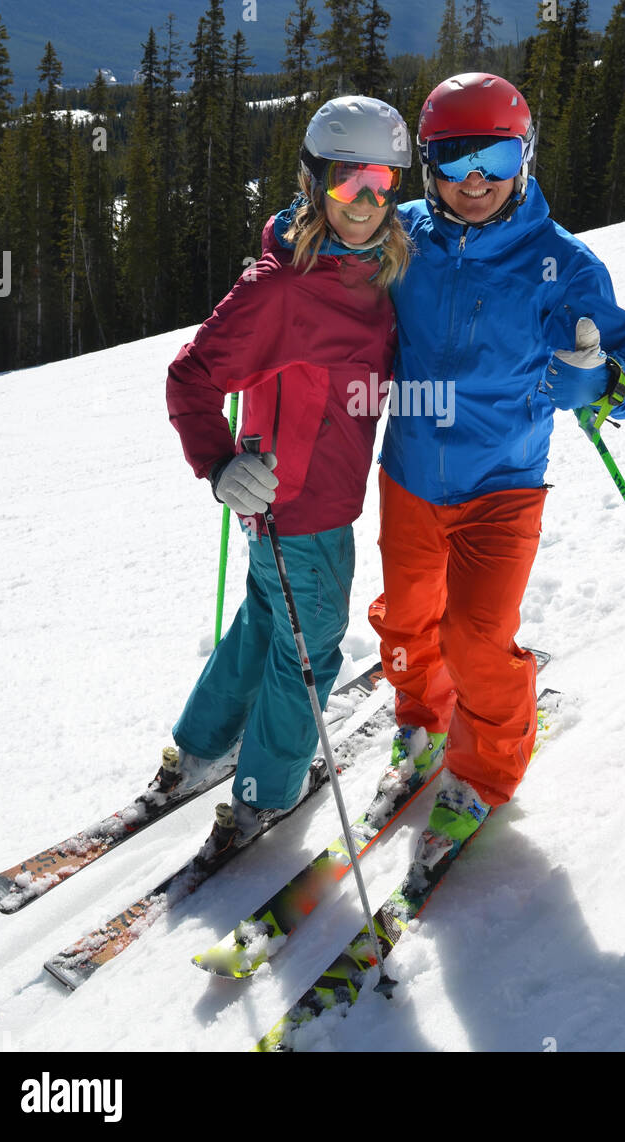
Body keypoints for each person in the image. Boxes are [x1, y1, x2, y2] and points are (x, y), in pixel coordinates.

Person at [368, 72, 625, 866]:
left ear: (524, 155)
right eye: (455, 157)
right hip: (407, 478)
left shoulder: (560, 264)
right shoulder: (404, 236)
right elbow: (326, 265)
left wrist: (602, 380)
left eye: (494, 157)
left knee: (478, 639)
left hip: (501, 489)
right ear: (428, 164)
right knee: (404, 620)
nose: (475, 180)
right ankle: (422, 721)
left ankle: (487, 768)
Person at [161, 95, 412, 840]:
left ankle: (203, 741)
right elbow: (190, 379)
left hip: (303, 498)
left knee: (269, 619)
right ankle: (267, 790)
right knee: (312, 644)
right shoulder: (280, 287)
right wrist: (214, 464)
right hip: (296, 504)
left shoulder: (370, 265)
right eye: (345, 181)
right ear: (313, 182)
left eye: (381, 181)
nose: (364, 201)